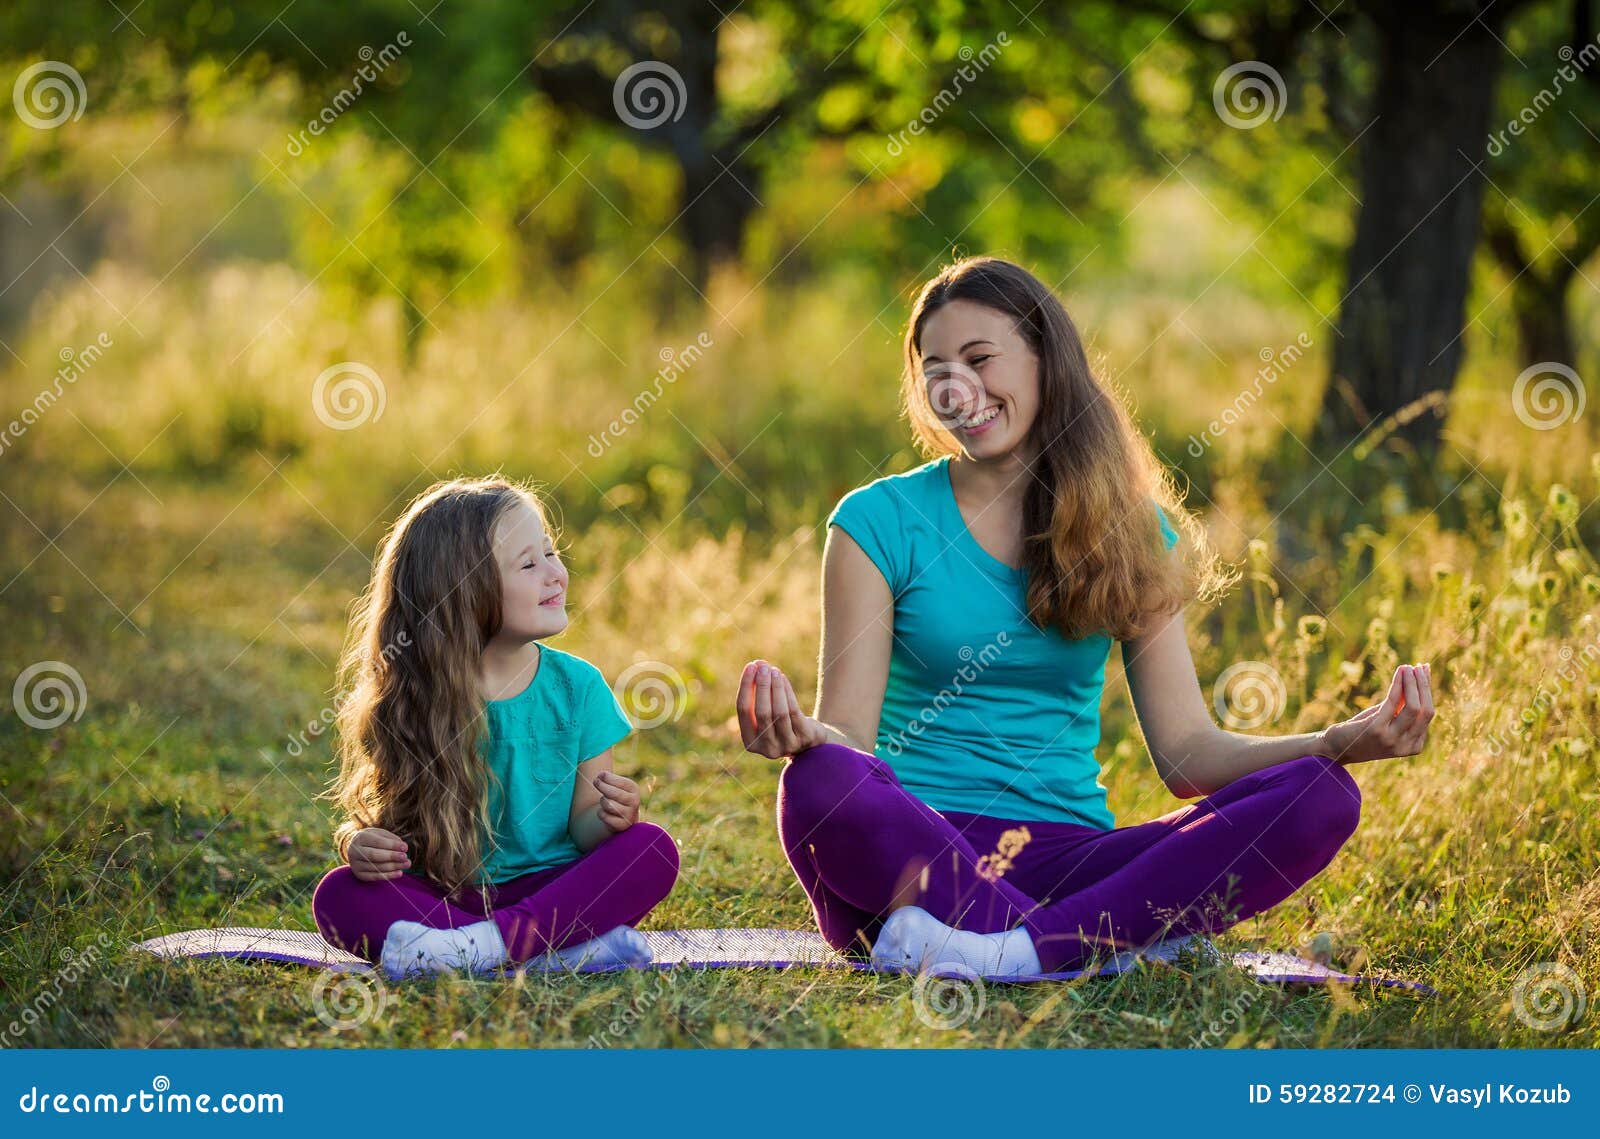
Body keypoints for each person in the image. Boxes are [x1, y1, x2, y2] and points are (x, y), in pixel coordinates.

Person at [737, 256, 1434, 978]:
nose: (955, 388)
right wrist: (807, 737)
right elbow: (849, 733)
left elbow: (1188, 754)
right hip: (916, 845)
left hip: (1068, 858)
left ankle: (1011, 948)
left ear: (1047, 361)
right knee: (820, 782)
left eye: (980, 359)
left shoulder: (1131, 529)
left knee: (1321, 790)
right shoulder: (876, 520)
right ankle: (1093, 940)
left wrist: (1334, 740)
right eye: (934, 367)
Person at [313, 475, 679, 980]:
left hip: (552, 888)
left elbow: (584, 827)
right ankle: (548, 953)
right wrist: (359, 845)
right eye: (529, 564)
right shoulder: (413, 694)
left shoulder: (579, 688)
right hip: (448, 894)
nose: (555, 573)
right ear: (460, 594)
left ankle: (470, 951)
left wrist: (613, 817)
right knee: (340, 894)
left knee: (651, 850)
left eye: (551, 553)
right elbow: (392, 829)